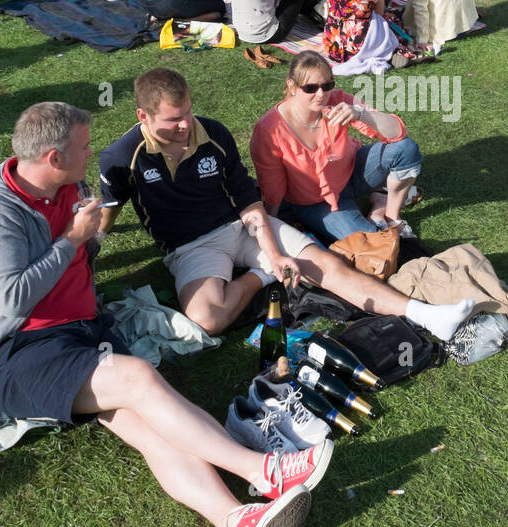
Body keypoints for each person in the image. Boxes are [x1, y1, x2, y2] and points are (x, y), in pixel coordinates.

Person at [0, 100, 327, 527]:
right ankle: (265, 471)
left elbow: (80, 258)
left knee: (153, 426)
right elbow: (13, 298)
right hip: (20, 352)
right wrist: (73, 240)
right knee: (139, 379)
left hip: (82, 331)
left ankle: (234, 518)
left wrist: (85, 244)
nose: (90, 154)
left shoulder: (68, 188)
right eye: (82, 147)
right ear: (53, 158)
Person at [99, 68, 475, 339]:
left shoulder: (212, 132)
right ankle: (259, 276)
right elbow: (107, 214)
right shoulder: (120, 157)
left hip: (243, 226)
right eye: (172, 120)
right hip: (191, 245)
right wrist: (89, 248)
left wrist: (272, 250)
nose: (184, 125)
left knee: (331, 265)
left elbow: (247, 198)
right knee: (207, 319)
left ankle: (428, 315)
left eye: (187, 113)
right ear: (142, 117)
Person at [251, 50, 423, 245]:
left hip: (353, 172)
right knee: (370, 244)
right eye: (310, 88)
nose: (321, 95)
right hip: (315, 202)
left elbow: (397, 133)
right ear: (292, 86)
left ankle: (392, 218)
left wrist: (359, 114)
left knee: (406, 149)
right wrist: (272, 224)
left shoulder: (338, 100)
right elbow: (273, 186)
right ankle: (378, 205)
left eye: (327, 86)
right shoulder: (270, 129)